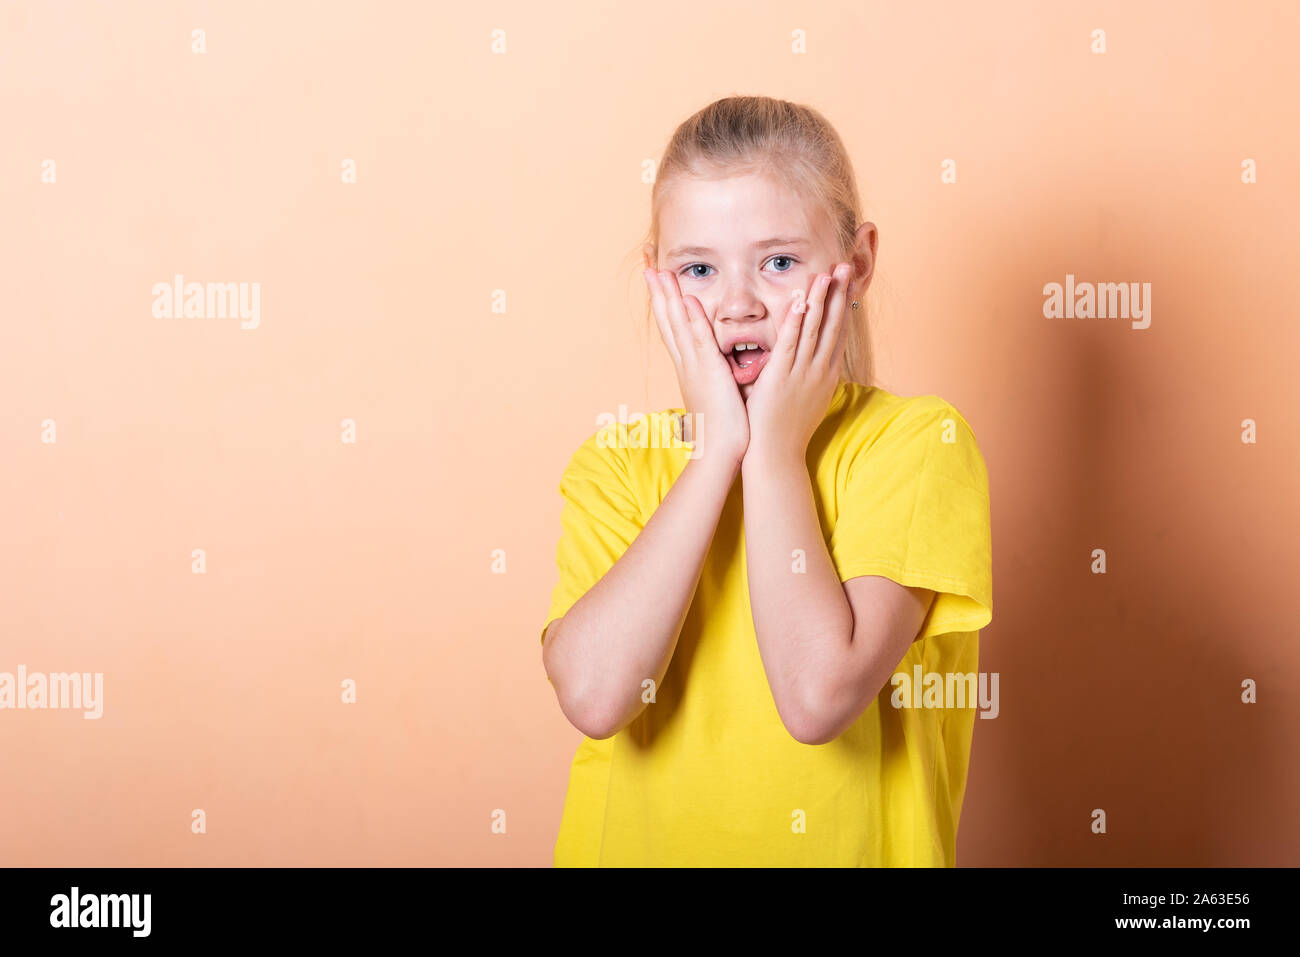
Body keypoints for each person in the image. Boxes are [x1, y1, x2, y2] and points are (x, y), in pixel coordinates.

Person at [540, 95, 993, 866]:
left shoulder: (915, 445)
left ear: (859, 265)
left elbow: (818, 698)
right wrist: (716, 450)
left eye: (779, 262)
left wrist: (774, 456)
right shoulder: (616, 464)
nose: (739, 303)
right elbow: (594, 696)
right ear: (657, 280)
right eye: (699, 269)